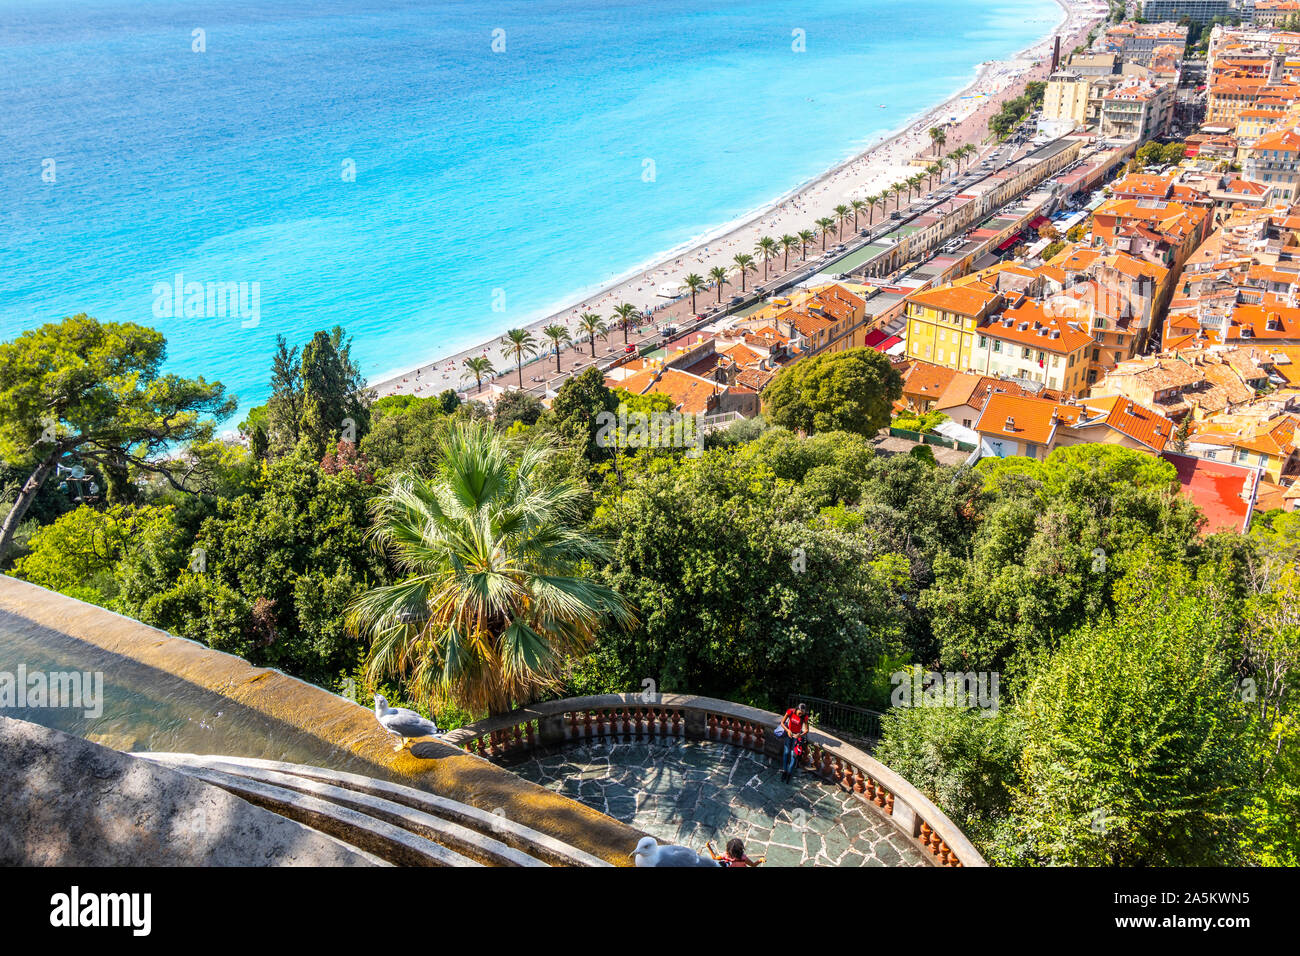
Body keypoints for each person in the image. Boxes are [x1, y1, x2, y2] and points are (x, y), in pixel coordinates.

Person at [779, 702, 810, 783]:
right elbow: (782, 723)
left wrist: (800, 735)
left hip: (796, 736)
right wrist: (788, 730)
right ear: (797, 709)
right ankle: (784, 771)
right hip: (789, 734)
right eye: (800, 713)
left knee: (794, 755)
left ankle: (789, 773)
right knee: (786, 752)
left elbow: (807, 730)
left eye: (802, 713)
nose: (801, 714)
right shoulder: (790, 711)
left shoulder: (805, 717)